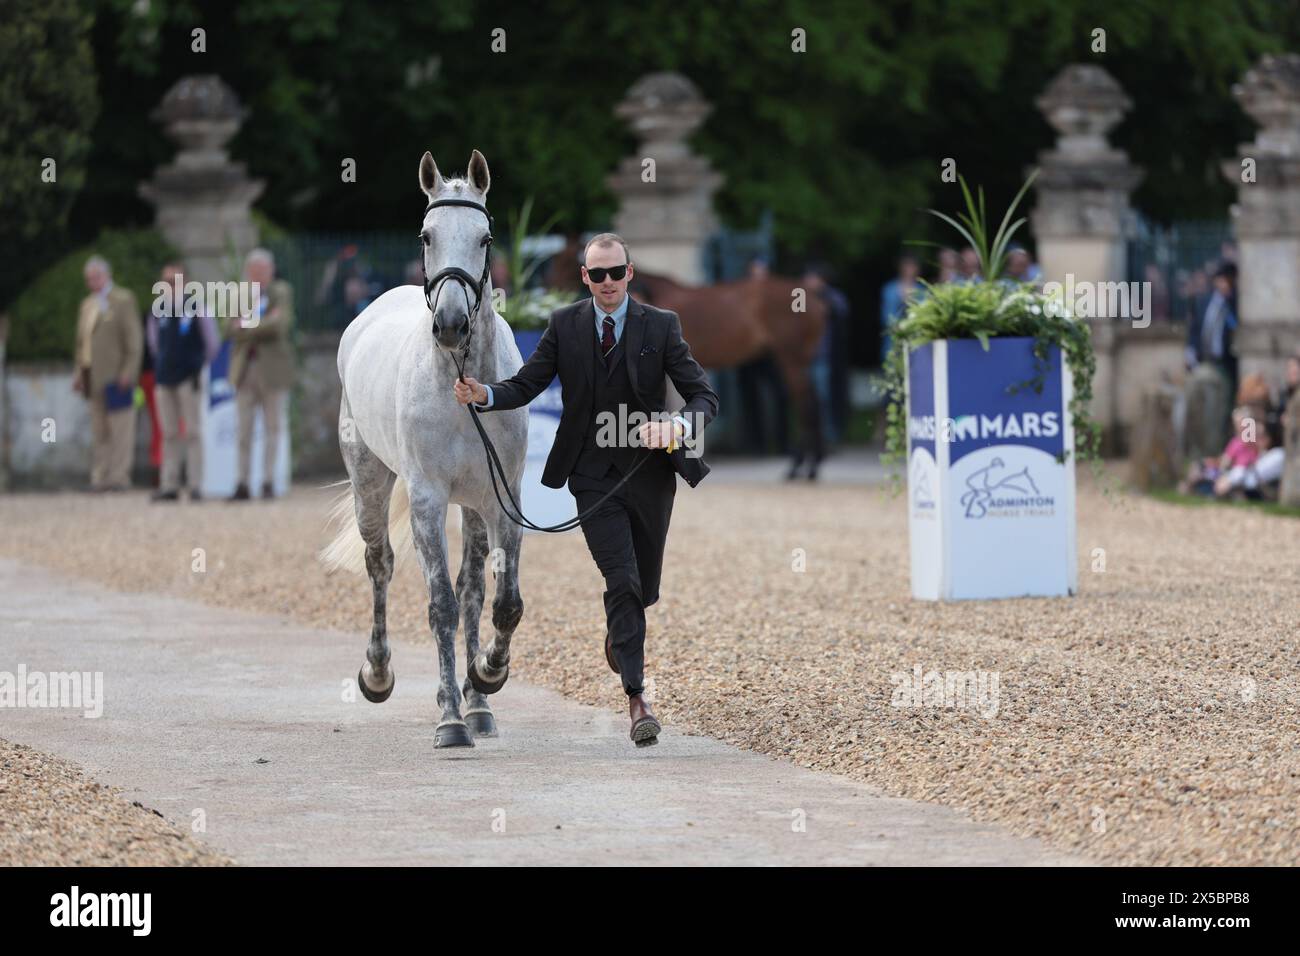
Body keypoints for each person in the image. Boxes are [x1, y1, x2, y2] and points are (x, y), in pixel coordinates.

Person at [453, 233, 719, 747]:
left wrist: (679, 427)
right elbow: (527, 383)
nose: (607, 283)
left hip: (651, 474)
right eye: (597, 275)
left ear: (629, 272)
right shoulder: (565, 325)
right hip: (592, 479)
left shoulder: (662, 327)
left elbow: (704, 396)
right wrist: (485, 393)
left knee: (644, 589)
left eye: (615, 273)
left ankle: (622, 634)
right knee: (621, 579)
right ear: (584, 278)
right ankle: (638, 699)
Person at [147, 263, 220, 502]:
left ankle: (195, 484)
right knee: (168, 433)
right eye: (166, 281)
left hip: (188, 378)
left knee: (192, 431)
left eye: (174, 281)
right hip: (164, 377)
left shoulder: (198, 307)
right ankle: (169, 484)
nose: (169, 286)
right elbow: (154, 343)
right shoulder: (157, 310)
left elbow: (212, 343)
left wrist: (196, 366)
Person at [227, 248, 295, 501]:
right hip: (245, 370)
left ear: (270, 272)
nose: (258, 277)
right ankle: (242, 482)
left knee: (272, 428)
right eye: (254, 272)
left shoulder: (282, 292)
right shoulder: (239, 293)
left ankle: (268, 481)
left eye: (263, 272)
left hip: (272, 370)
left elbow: (281, 326)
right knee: (243, 430)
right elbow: (228, 328)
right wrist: (261, 324)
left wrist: (246, 324)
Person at [72, 256, 141, 492]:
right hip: (93, 376)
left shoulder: (123, 300)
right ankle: (100, 476)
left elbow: (134, 341)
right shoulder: (87, 305)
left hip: (116, 376)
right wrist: (78, 373)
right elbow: (81, 344)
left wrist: (128, 372)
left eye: (97, 277)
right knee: (99, 431)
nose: (93, 282)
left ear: (107, 275)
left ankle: (119, 476)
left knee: (120, 429)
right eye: (89, 279)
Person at [879, 254, 920, 366]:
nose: (909, 270)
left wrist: (912, 301)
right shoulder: (890, 289)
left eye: (912, 266)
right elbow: (885, 317)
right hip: (893, 344)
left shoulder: (922, 290)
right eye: (906, 266)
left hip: (916, 344)